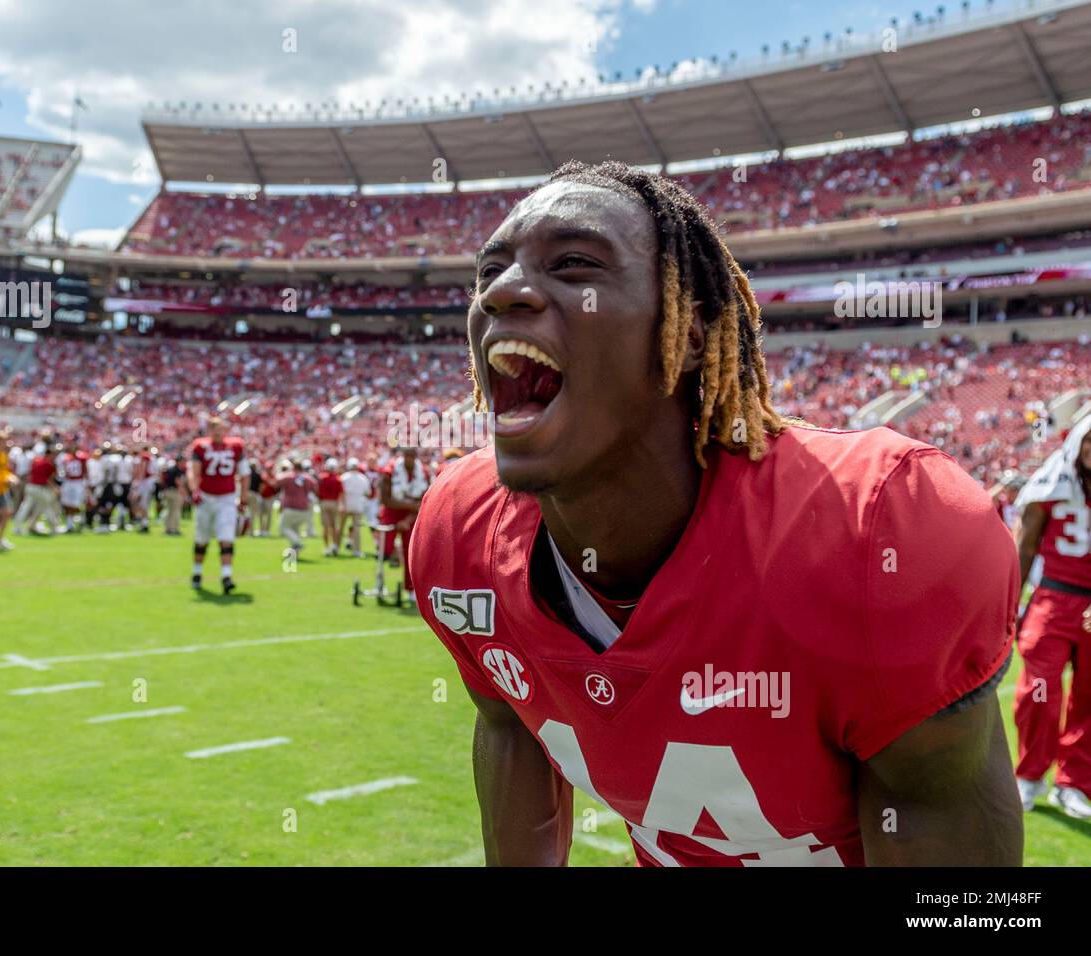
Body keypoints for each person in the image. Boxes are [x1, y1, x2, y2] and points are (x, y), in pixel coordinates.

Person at [410, 160, 1021, 866]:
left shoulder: (879, 528)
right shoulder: (460, 531)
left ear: (690, 333)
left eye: (573, 265)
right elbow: (511, 729)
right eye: (491, 272)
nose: (504, 291)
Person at [1012, 414, 1091, 819]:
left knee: (1089, 699)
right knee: (1039, 689)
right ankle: (1029, 775)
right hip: (1056, 598)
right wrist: (1010, 604)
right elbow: (1024, 548)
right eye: (1090, 440)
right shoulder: (1053, 481)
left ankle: (1074, 782)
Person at [186, 417, 247, 594]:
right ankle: (197, 572)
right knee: (202, 538)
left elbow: (244, 474)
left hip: (227, 498)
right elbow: (193, 471)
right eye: (215, 429)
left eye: (220, 429)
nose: (218, 432)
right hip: (206, 497)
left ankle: (226, 576)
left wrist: (243, 497)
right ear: (210, 431)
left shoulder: (236, 446)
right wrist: (194, 490)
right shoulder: (201, 446)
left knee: (226, 537)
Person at [378, 446, 429, 604]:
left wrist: (407, 520)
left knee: (411, 554)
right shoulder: (389, 471)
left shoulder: (424, 473)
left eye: (412, 456)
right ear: (402, 456)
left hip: (411, 516)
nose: (409, 459)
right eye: (406, 455)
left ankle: (411, 588)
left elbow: (423, 501)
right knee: (383, 549)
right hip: (391, 513)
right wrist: (409, 506)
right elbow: (386, 500)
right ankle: (380, 580)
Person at [274, 459, 317, 559]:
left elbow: (277, 481)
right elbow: (315, 486)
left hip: (290, 507)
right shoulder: (307, 477)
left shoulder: (289, 476)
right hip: (303, 508)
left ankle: (298, 543)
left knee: (283, 527)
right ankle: (294, 555)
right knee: (295, 530)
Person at [339, 457, 371, 558]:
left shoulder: (344, 477)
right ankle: (356, 550)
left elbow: (340, 492)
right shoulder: (363, 478)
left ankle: (336, 547)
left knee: (341, 527)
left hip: (346, 504)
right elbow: (368, 492)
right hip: (358, 505)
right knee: (356, 529)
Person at [317, 457, 344, 556]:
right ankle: (334, 546)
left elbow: (317, 490)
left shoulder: (322, 477)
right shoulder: (338, 479)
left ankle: (327, 547)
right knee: (334, 526)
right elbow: (341, 493)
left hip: (324, 502)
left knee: (325, 527)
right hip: (334, 503)